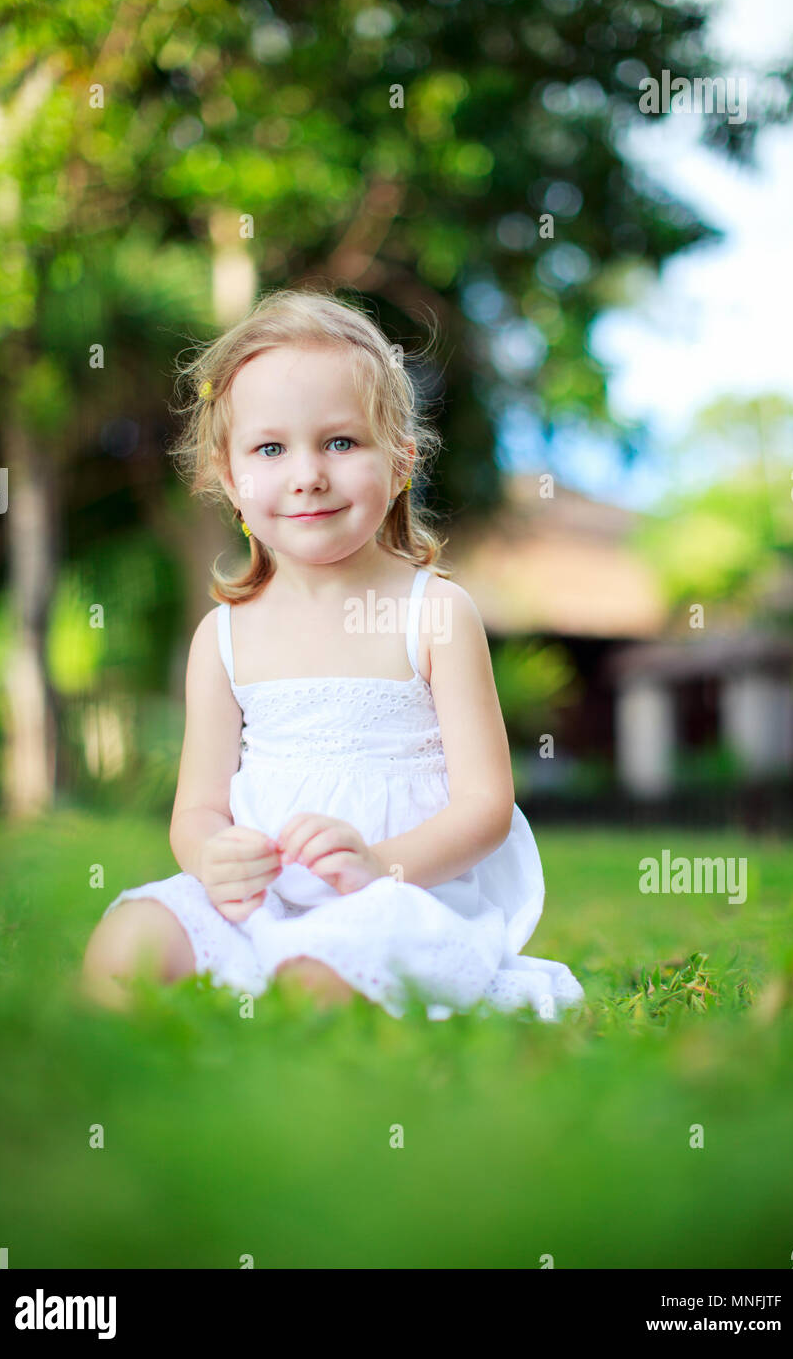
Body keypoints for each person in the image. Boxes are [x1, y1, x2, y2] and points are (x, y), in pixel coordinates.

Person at [81, 287, 585, 1022]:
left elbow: (487, 806)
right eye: (271, 448)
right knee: (127, 940)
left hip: (401, 902)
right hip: (261, 903)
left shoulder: (436, 614)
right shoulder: (222, 637)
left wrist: (382, 866)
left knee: (321, 972)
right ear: (231, 479)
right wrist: (210, 857)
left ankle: (308, 1011)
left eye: (341, 442)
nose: (308, 473)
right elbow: (197, 808)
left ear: (402, 460)